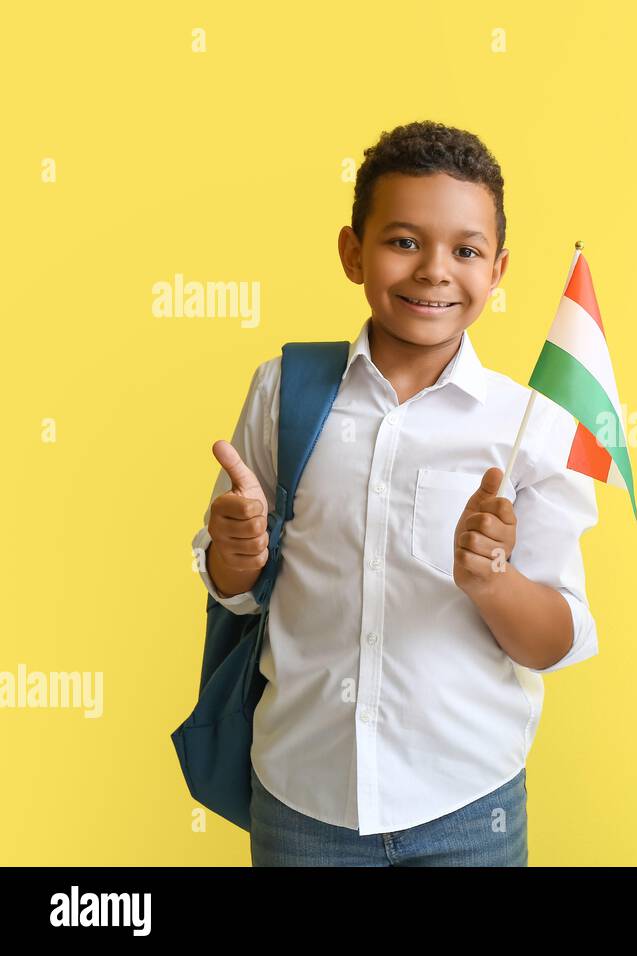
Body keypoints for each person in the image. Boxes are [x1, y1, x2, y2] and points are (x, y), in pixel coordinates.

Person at [192, 120, 599, 866]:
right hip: (302, 798)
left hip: (470, 806)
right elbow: (235, 591)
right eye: (404, 241)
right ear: (353, 252)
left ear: (498, 270)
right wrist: (237, 554)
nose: (434, 270)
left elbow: (553, 641)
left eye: (466, 250)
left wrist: (494, 581)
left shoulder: (528, 426)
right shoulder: (284, 392)